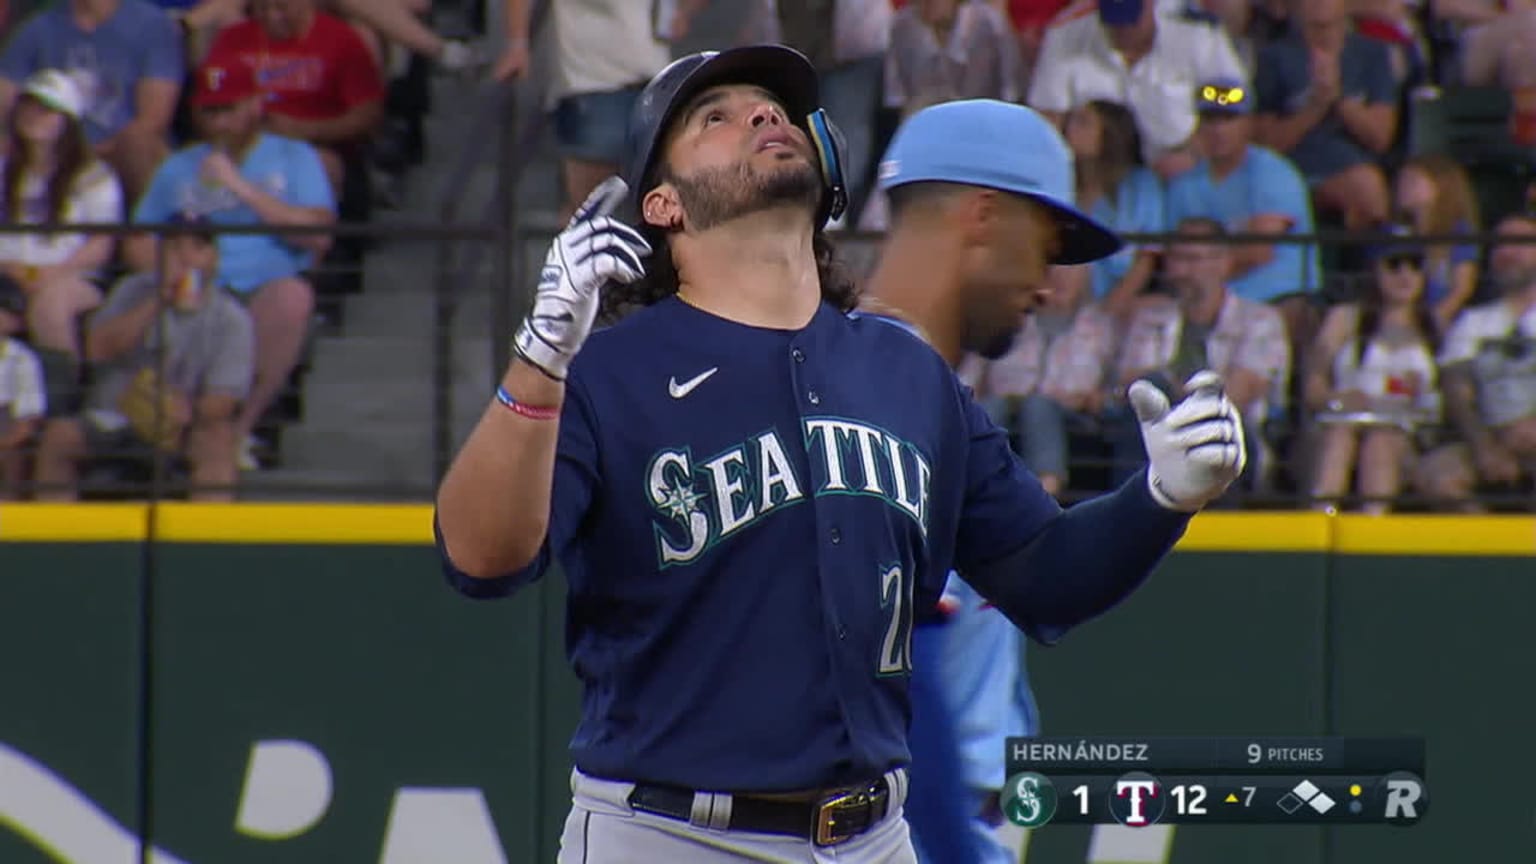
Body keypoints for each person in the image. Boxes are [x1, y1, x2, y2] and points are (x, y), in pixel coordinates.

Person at [434, 46, 1246, 863]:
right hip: (670, 832)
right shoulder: (608, 370)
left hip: (873, 837)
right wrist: (540, 358)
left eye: (774, 108)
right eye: (715, 118)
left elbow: (1044, 574)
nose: (762, 116)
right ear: (663, 204)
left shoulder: (907, 371)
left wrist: (1160, 499)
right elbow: (484, 559)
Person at [860, 98, 1137, 864]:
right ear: (982, 214)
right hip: (879, 822)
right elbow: (885, 678)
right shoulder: (871, 386)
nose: (1049, 284)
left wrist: (1161, 499)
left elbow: (1047, 580)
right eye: (1047, 247)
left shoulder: (925, 393)